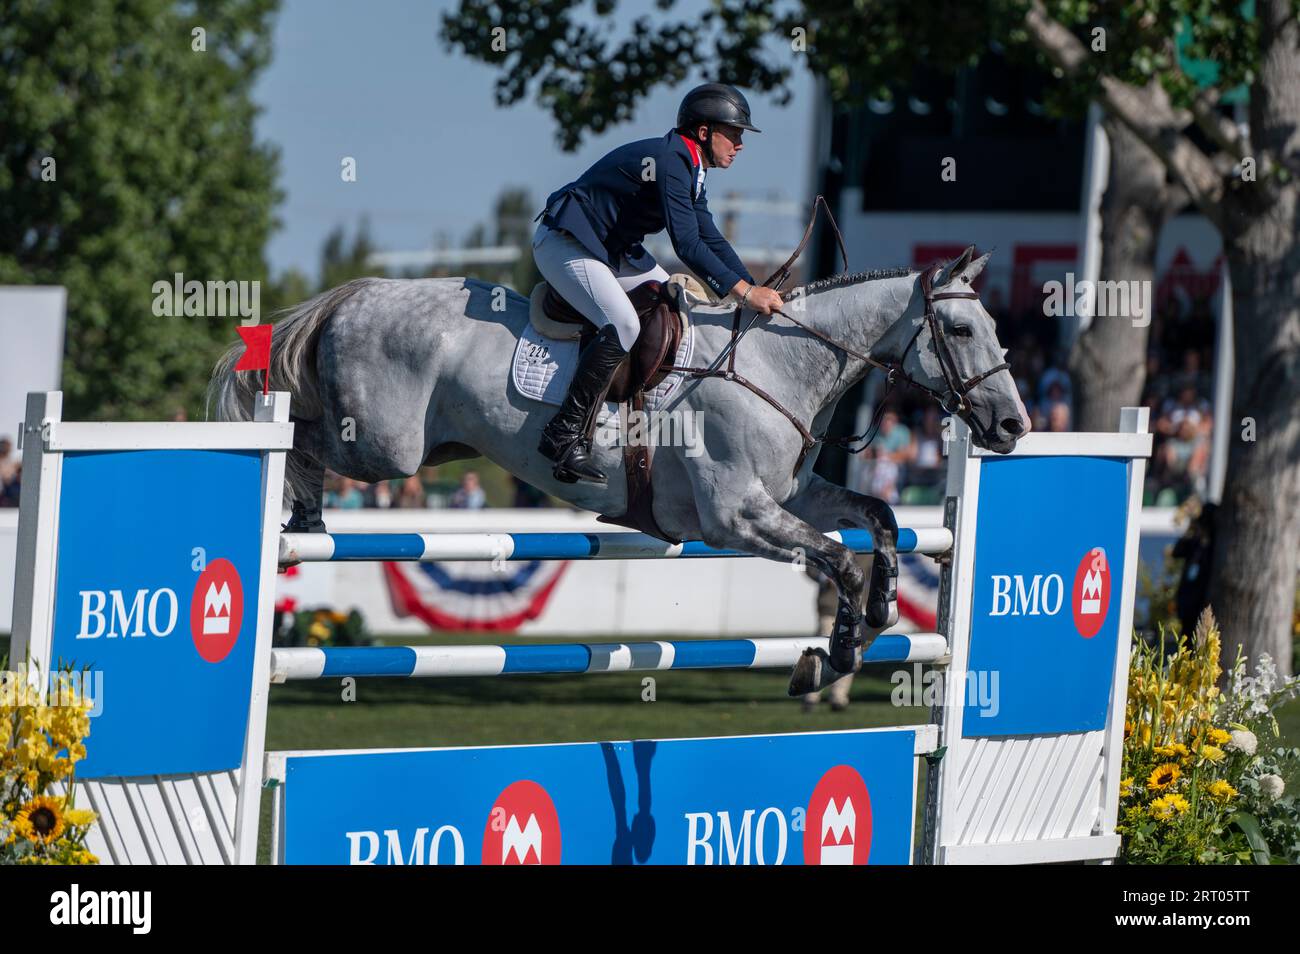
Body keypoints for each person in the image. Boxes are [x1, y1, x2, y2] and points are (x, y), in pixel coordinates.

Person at [532, 83, 784, 483]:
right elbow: (685, 244)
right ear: (704, 132)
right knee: (624, 325)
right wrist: (744, 292)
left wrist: (755, 286)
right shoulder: (672, 161)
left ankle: (644, 418)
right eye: (733, 133)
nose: (740, 144)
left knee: (677, 304)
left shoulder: (691, 166)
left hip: (612, 250)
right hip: (567, 243)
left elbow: (710, 237)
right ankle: (564, 434)